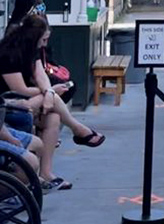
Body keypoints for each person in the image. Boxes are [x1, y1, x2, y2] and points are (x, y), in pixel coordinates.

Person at [0, 16, 105, 191]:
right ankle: (77, 129)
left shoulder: (32, 50)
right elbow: (20, 90)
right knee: (49, 100)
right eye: (43, 39)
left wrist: (49, 92)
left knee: (54, 117)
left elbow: (42, 78)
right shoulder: (8, 54)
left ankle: (45, 173)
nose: (44, 44)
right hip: (9, 105)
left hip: (28, 100)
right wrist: (51, 92)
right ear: (33, 37)